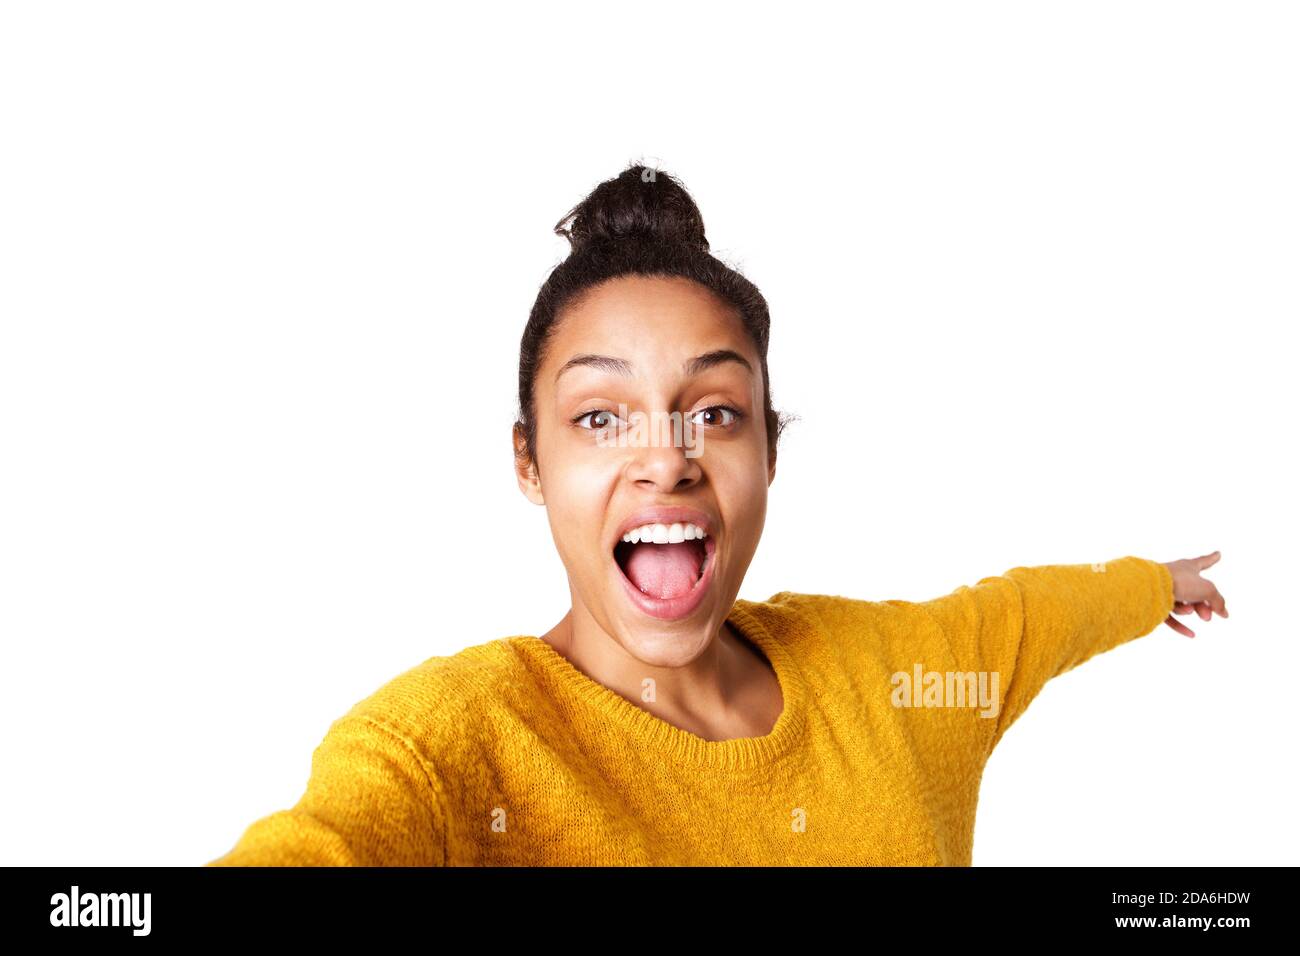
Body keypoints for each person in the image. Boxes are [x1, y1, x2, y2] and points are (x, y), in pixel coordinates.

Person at [206, 162, 1229, 866]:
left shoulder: (890, 674)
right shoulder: (449, 745)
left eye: (714, 410)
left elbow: (1030, 616)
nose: (666, 457)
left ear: (768, 452)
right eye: (600, 415)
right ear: (530, 460)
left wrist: (1152, 586)